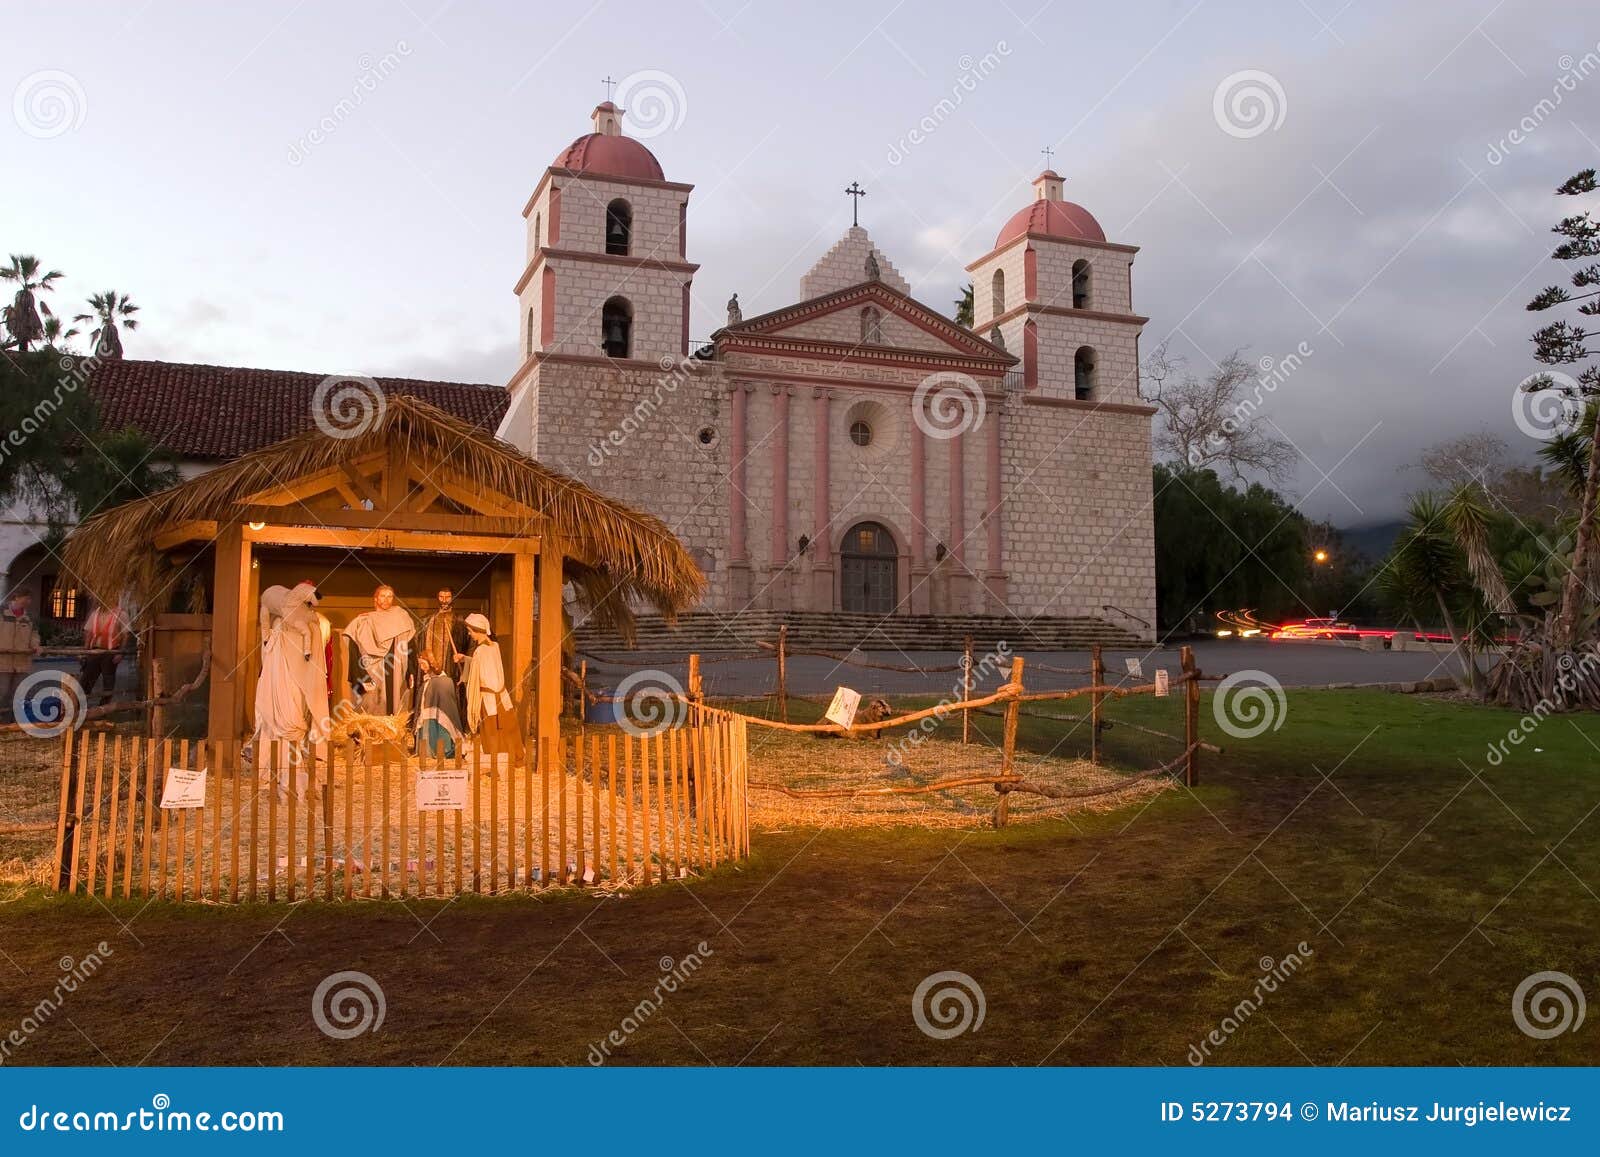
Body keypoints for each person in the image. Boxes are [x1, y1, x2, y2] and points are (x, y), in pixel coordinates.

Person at [252, 581, 330, 796]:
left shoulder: (312, 622)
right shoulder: (284, 622)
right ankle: (274, 766)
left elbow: (315, 654)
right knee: (282, 715)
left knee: (294, 713)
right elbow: (266, 634)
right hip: (280, 675)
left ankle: (289, 766)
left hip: (297, 677)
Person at [462, 612, 523, 763]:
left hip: (489, 698)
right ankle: (513, 758)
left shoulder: (480, 651)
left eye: (470, 631)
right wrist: (465, 659)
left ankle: (497, 763)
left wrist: (471, 691)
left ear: (478, 631)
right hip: (502, 696)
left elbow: (477, 675)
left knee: (492, 731)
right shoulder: (495, 646)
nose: (470, 635)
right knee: (507, 728)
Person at [345, 584, 416, 715]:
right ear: (376, 598)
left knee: (392, 702)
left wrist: (411, 670)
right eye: (383, 596)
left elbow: (410, 645)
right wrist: (361, 676)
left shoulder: (401, 617)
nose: (386, 599)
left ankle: (389, 731)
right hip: (370, 670)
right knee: (371, 705)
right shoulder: (362, 621)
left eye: (390, 596)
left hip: (394, 667)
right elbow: (354, 652)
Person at [79, 595, 131, 707]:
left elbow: (125, 635)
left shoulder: (121, 614)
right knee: (86, 679)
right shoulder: (95, 613)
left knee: (108, 681)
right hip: (95, 651)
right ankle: (81, 706)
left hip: (111, 653)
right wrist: (85, 652)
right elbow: (88, 633)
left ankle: (104, 707)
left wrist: (120, 653)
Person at [419, 587, 472, 689]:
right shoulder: (428, 620)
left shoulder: (460, 621)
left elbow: (469, 645)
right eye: (441, 597)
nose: (444, 600)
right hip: (431, 669)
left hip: (451, 669)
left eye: (447, 597)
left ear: (453, 598)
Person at [413, 653, 464, 759]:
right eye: (420, 665)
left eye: (423, 664)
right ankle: (429, 751)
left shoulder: (445, 681)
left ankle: (444, 750)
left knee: (442, 727)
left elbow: (448, 704)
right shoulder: (427, 681)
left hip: (442, 718)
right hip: (428, 716)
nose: (421, 667)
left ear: (430, 663)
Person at [0, 590, 41, 711]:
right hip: (3, 662)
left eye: (29, 599)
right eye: (26, 598)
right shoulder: (2, 613)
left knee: (18, 694)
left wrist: (36, 645)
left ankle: (12, 722)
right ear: (16, 597)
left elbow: (34, 635)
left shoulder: (29, 617)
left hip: (21, 663)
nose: (28, 601)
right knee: (2, 692)